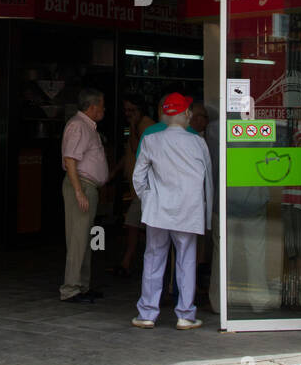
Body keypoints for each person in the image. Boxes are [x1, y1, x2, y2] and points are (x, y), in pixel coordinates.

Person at [130, 92, 213, 329]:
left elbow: (139, 177)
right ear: (187, 114)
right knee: (186, 261)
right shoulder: (198, 142)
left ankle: (147, 313)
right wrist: (206, 217)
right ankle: (185, 315)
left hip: (158, 210)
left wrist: (148, 199)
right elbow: (208, 183)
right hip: (188, 211)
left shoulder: (152, 141)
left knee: (154, 259)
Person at [59, 88, 109, 304]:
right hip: (81, 185)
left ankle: (82, 285)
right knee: (78, 239)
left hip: (87, 186)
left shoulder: (87, 127)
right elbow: (70, 160)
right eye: (102, 105)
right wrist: (79, 191)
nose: (104, 109)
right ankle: (70, 289)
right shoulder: (78, 126)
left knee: (85, 239)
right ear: (92, 107)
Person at [117, 96, 155, 278]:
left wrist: (132, 126)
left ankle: (129, 262)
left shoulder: (145, 126)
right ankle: (129, 261)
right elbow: (128, 156)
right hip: (137, 188)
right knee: (134, 225)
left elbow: (135, 149)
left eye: (132, 110)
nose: (128, 114)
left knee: (134, 223)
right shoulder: (140, 125)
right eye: (126, 110)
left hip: (144, 188)